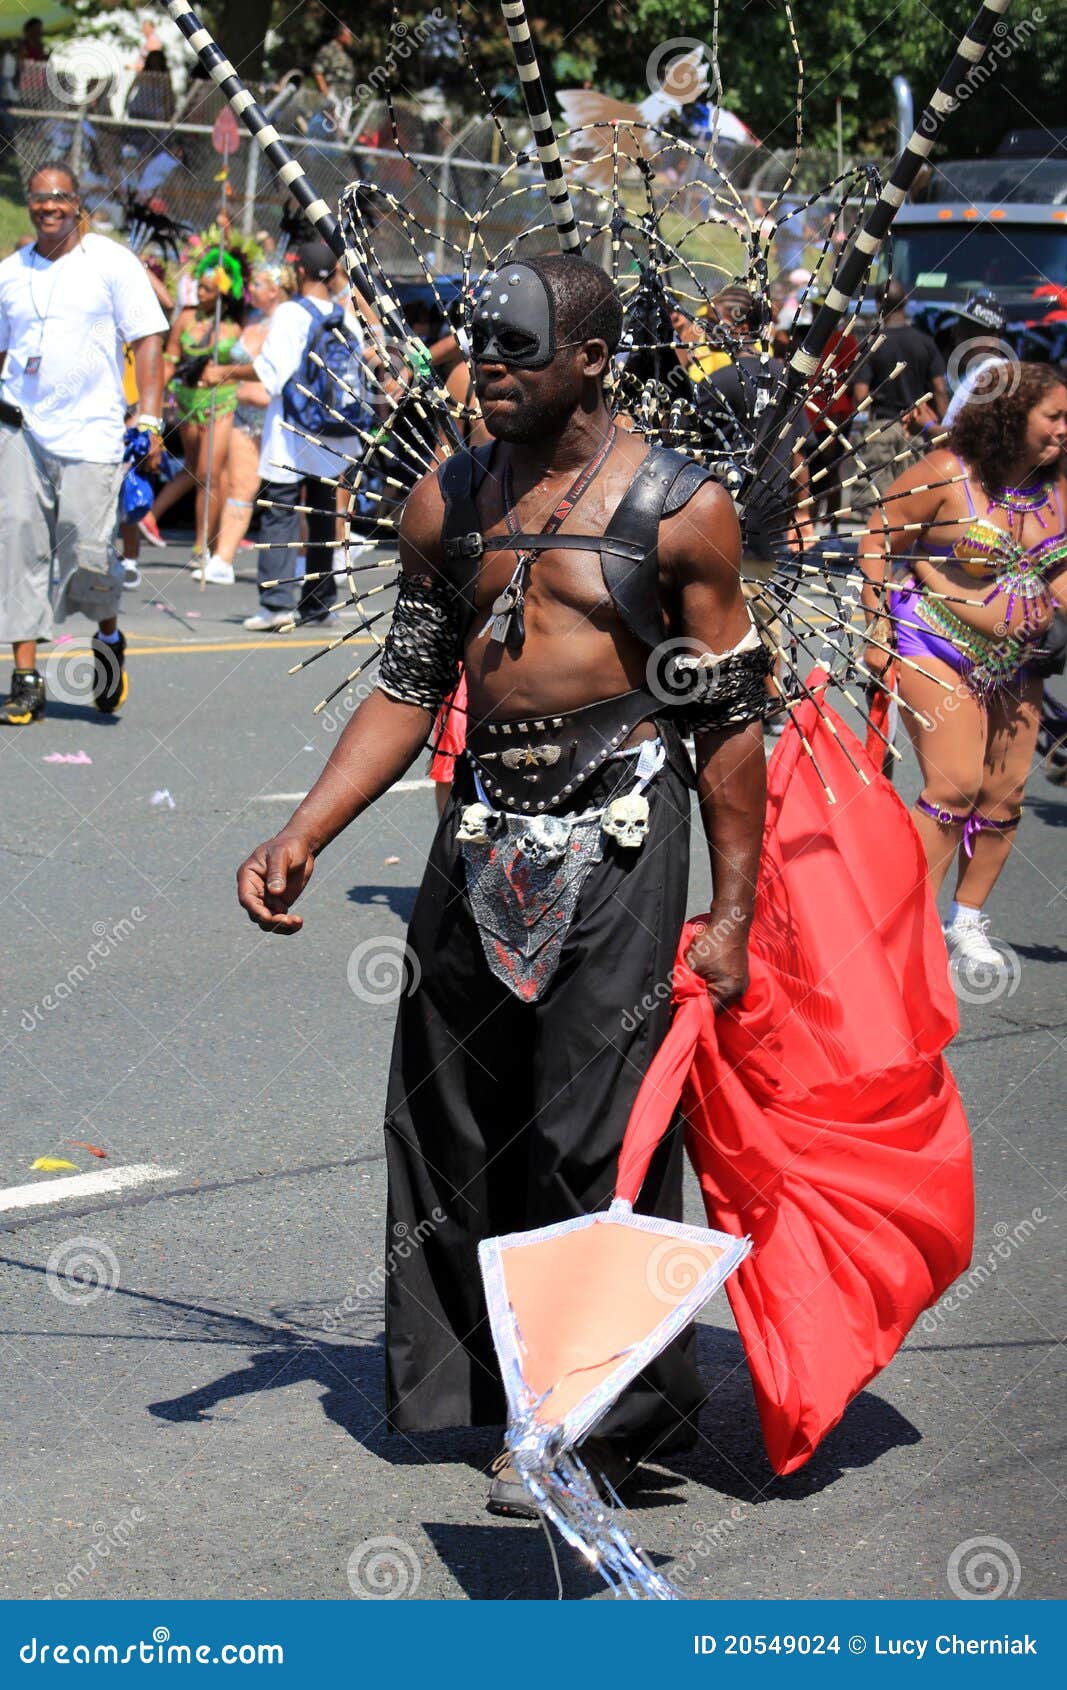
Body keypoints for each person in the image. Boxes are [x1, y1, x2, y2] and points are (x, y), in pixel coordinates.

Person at [236, 254, 769, 1511]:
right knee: (452, 1115)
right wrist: (305, 829)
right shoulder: (451, 496)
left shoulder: (676, 510)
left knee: (593, 1129)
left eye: (518, 351)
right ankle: (494, 1384)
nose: (489, 371)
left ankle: (591, 1420)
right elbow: (412, 683)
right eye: (481, 348)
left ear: (591, 359)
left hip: (624, 833)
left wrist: (732, 911)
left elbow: (731, 723)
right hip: (479, 829)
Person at [859, 362, 1067, 969]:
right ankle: (907, 923)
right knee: (954, 786)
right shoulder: (950, 472)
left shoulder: (1055, 488)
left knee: (1003, 798)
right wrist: (876, 626)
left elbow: (1057, 571)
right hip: (935, 646)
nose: (1064, 430)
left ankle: (966, 921)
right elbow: (878, 534)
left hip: (1019, 661)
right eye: (1054, 416)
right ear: (1011, 414)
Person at [0, 163, 166, 726]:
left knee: (88, 557)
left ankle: (108, 642)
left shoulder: (111, 261)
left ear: (77, 203)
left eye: (59, 197)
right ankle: (25, 678)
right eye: (39, 198)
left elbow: (147, 339)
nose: (49, 206)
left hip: (93, 432)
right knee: (18, 547)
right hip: (19, 429)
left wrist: (150, 416)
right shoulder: (10, 272)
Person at [202, 239, 365, 631]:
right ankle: (318, 603)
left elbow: (270, 375)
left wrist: (221, 371)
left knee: (280, 513)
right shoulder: (348, 317)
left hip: (291, 434)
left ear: (299, 272)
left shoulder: (293, 313)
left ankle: (275, 603)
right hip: (333, 432)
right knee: (325, 516)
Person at [197, 261, 296, 586]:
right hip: (245, 415)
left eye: (258, 284)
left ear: (274, 289)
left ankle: (307, 558)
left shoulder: (289, 324)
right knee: (241, 486)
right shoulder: (251, 322)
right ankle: (223, 558)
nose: (250, 289)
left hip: (277, 415)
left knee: (294, 492)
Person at [149, 249, 246, 563]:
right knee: (195, 471)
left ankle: (202, 544)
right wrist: (158, 396)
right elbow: (169, 359)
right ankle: (152, 518)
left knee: (208, 473)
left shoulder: (236, 323)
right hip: (187, 404)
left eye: (208, 289)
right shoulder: (187, 318)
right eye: (200, 287)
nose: (201, 293)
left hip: (223, 403)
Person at [851, 279, 948, 518]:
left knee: (878, 502)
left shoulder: (873, 344)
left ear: (877, 305)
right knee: (914, 497)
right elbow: (940, 388)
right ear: (906, 303)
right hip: (916, 428)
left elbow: (861, 394)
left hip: (880, 428)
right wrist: (942, 425)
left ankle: (878, 548)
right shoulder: (925, 342)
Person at [941, 291, 1009, 429]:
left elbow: (968, 440)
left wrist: (927, 425)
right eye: (958, 329)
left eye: (968, 332)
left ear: (993, 339)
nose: (959, 338)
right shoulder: (975, 371)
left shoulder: (994, 377)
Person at [311, 21, 357, 132]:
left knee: (341, 131)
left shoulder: (346, 55)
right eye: (348, 35)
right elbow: (318, 72)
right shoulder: (328, 51)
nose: (350, 38)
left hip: (344, 98)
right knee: (329, 129)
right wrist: (327, 95)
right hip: (333, 97)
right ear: (340, 36)